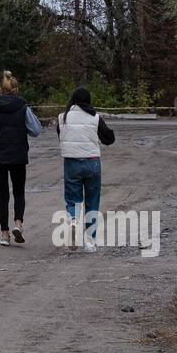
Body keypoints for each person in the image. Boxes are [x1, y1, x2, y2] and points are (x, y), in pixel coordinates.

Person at [0, 71, 42, 246]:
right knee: (19, 192)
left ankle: (4, 234)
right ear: (16, 89)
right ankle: (18, 224)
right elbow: (36, 130)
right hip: (18, 156)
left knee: (2, 195)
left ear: (1, 90)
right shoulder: (23, 107)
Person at [55, 87, 116, 253]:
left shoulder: (63, 117)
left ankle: (73, 220)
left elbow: (61, 136)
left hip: (71, 163)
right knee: (92, 202)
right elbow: (109, 139)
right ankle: (90, 242)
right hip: (92, 163)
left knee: (72, 199)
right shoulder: (95, 117)